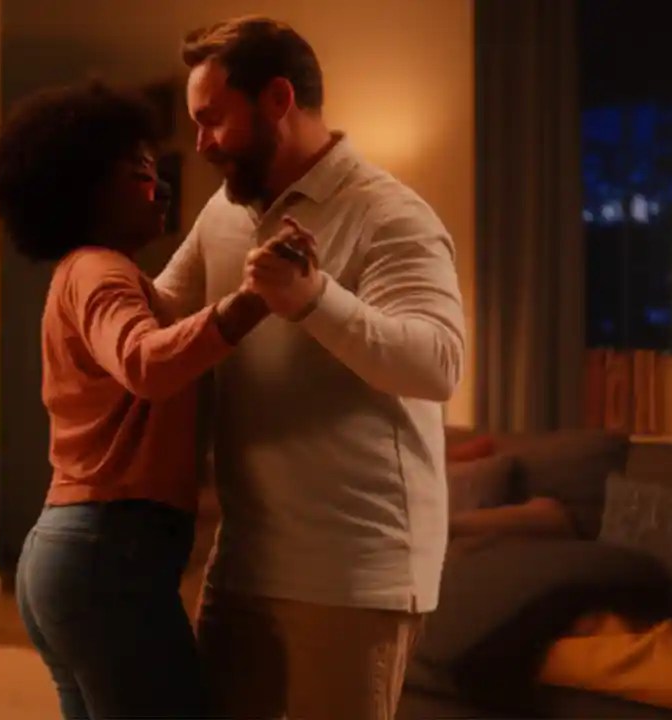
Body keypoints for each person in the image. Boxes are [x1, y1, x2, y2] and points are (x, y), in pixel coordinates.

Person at [154, 15, 468, 720]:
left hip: (355, 576)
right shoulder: (223, 214)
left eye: (211, 121)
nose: (200, 143)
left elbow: (439, 364)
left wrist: (314, 299)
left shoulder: (390, 216)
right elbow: (156, 312)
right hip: (241, 563)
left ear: (276, 100)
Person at [0, 81, 311, 719]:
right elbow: (145, 363)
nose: (159, 187)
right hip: (109, 555)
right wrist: (253, 299)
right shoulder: (101, 270)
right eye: (140, 174)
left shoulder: (86, 274)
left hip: (74, 553)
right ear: (87, 189)